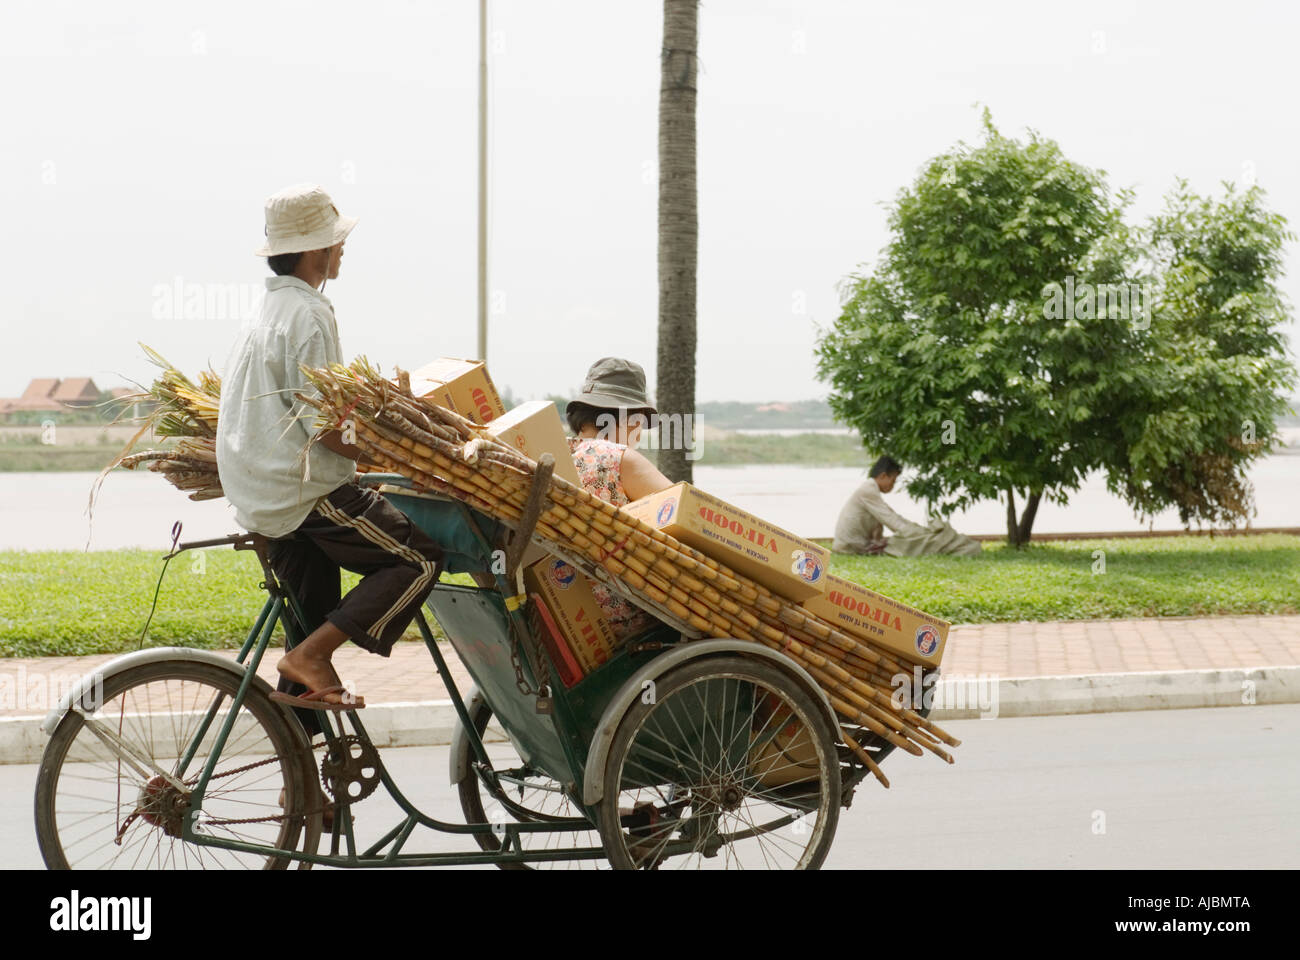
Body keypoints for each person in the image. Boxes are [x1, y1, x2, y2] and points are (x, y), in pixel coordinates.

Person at [216, 183, 444, 711]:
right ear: (316, 249)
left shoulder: (265, 312)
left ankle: (304, 787)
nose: (343, 249)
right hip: (299, 491)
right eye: (337, 241)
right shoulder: (311, 313)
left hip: (259, 492)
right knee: (418, 560)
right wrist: (392, 457)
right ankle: (313, 655)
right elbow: (325, 426)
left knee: (311, 619)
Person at [565, 358, 673, 636]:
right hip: (627, 612)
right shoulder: (617, 457)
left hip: (572, 607)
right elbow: (687, 514)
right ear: (631, 417)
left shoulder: (562, 454)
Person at [832, 455, 981, 557]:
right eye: (894, 480)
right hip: (852, 548)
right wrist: (919, 532)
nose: (893, 485)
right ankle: (956, 545)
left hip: (858, 545)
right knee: (914, 542)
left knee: (912, 540)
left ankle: (951, 544)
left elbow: (887, 518)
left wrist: (915, 530)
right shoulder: (868, 490)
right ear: (883, 476)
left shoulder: (870, 490)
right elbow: (892, 521)